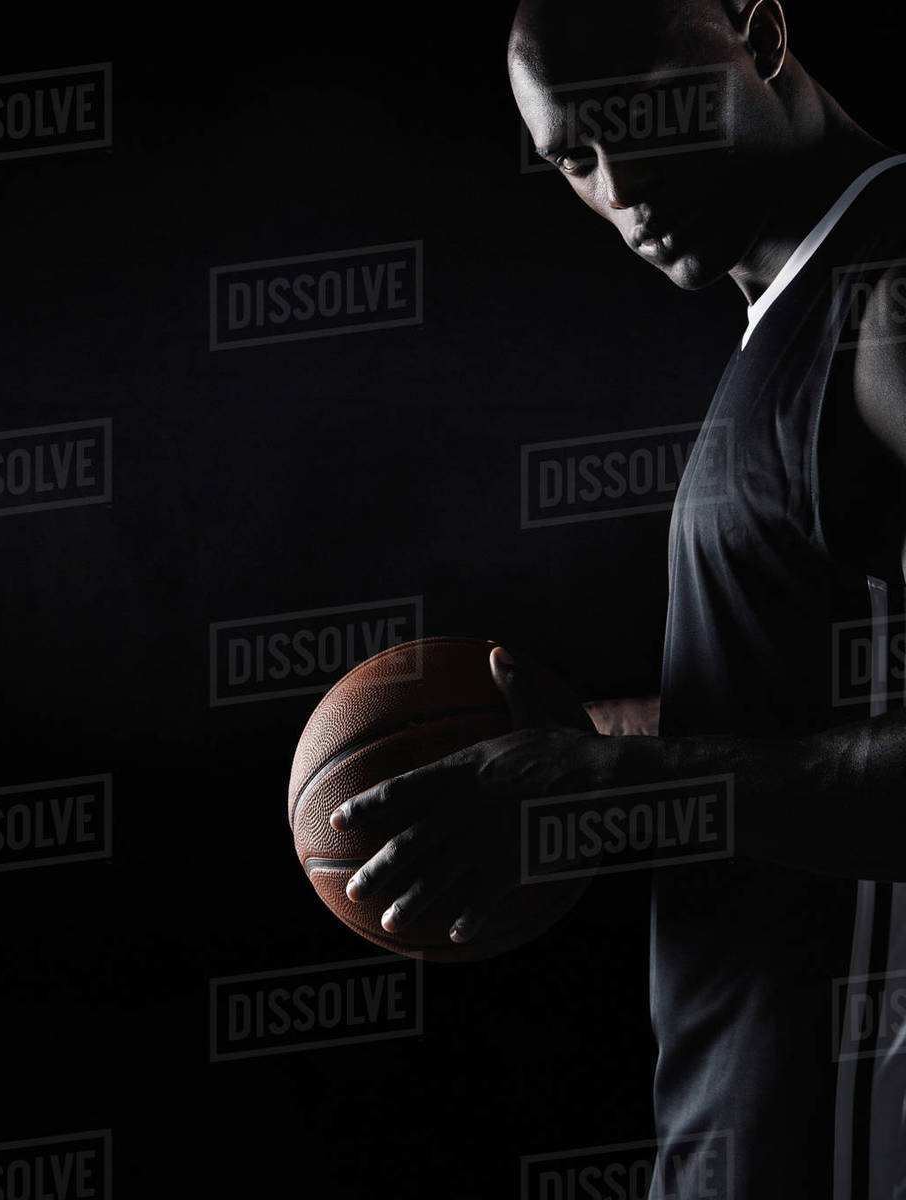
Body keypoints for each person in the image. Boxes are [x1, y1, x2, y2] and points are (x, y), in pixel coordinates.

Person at [328, 1, 906, 1194]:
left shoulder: (892, 300)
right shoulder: (791, 321)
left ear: (761, 27)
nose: (625, 184)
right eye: (576, 158)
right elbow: (811, 709)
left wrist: (621, 787)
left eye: (644, 114)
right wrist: (579, 749)